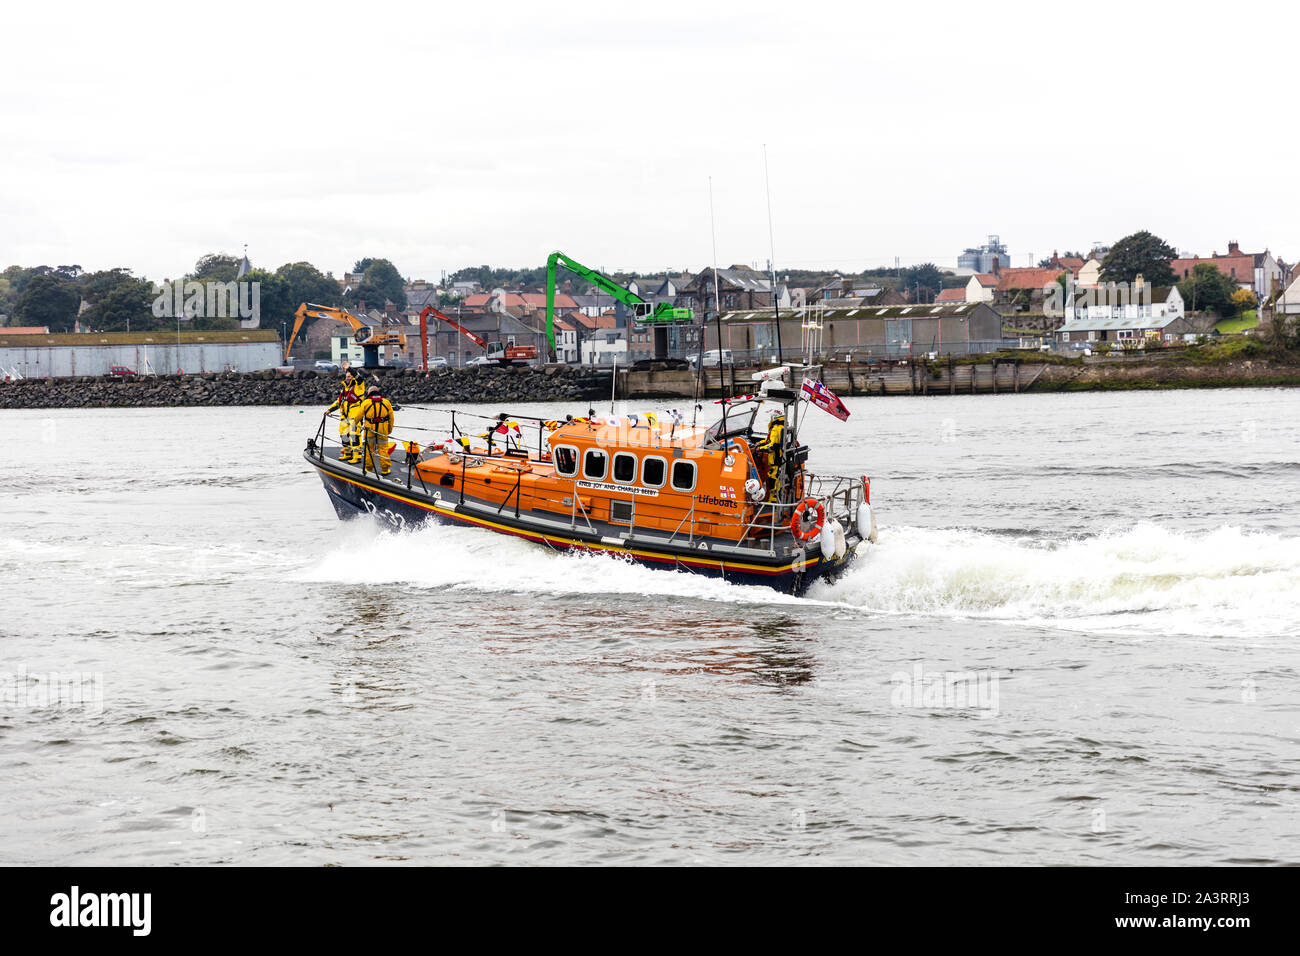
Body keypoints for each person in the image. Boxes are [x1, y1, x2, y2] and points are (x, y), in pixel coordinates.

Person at [326, 370, 366, 463]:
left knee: (354, 435)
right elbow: (338, 401)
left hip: (355, 417)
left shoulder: (359, 386)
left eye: (349, 376)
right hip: (345, 417)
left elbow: (359, 377)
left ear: (353, 377)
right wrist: (329, 410)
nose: (347, 378)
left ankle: (357, 457)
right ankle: (347, 454)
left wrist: (349, 368)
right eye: (347, 376)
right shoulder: (344, 389)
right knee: (343, 434)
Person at [358, 384, 396, 475]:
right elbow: (391, 418)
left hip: (369, 430)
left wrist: (354, 427)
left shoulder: (365, 403)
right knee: (383, 450)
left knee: (369, 450)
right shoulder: (386, 402)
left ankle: (369, 469)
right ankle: (385, 470)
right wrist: (389, 430)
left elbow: (357, 417)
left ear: (369, 393)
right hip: (383, 430)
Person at [756, 410, 786, 501]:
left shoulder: (775, 429)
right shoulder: (781, 427)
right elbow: (769, 440)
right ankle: (776, 498)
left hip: (775, 459)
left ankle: (773, 500)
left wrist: (760, 449)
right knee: (776, 478)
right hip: (780, 458)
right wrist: (760, 443)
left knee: (773, 480)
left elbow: (772, 445)